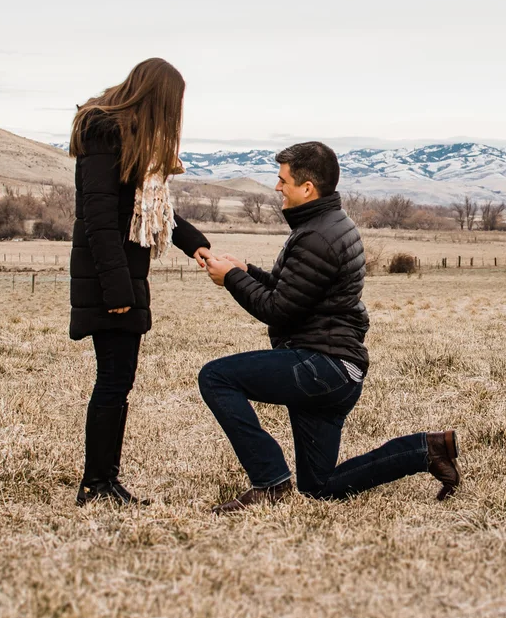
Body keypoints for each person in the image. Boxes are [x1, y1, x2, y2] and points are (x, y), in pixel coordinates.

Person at [197, 141, 460, 512]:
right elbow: (293, 288)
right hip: (335, 368)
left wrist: (232, 280)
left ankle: (269, 481)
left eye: (282, 180)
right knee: (320, 486)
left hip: (324, 367)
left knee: (215, 377)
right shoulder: (326, 226)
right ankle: (428, 449)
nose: (276, 187)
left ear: (307, 188)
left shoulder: (318, 235)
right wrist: (243, 270)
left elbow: (278, 309)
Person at [67, 58, 211, 506]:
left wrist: (199, 246)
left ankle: (105, 479)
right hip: (109, 282)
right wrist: (116, 293)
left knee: (118, 380)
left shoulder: (133, 145)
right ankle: (96, 484)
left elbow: (154, 212)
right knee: (113, 380)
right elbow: (99, 220)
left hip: (123, 278)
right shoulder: (103, 133)